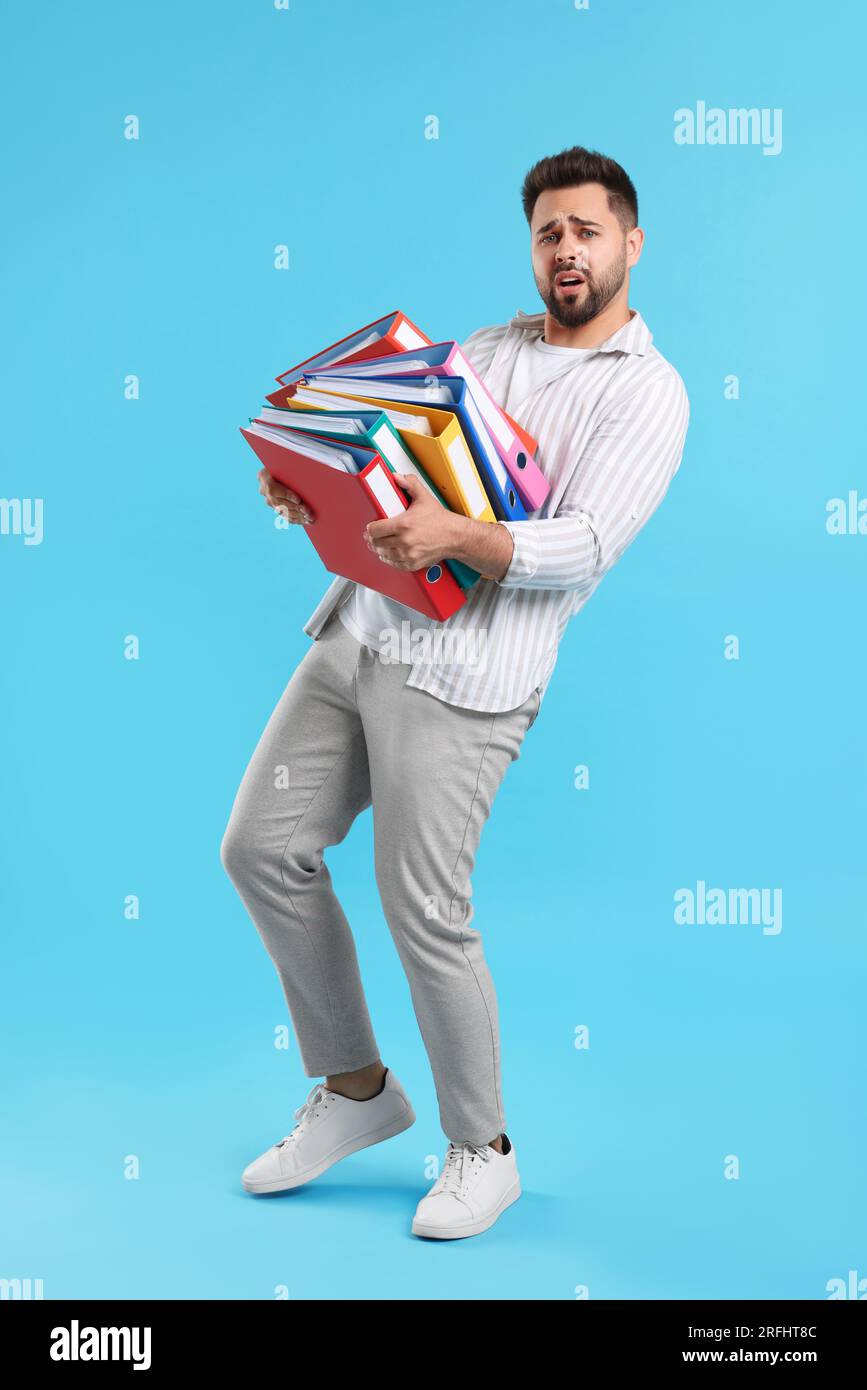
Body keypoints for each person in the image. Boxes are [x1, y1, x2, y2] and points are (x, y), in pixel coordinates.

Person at [220, 145, 690, 1240]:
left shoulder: (650, 393)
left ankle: (485, 1149)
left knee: (423, 907)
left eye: (585, 229)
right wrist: (316, 490)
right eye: (546, 233)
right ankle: (354, 1090)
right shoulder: (478, 350)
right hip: (359, 636)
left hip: (470, 680)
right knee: (259, 846)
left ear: (630, 242)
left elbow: (582, 541)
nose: (564, 249)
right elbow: (395, 484)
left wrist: (460, 536)